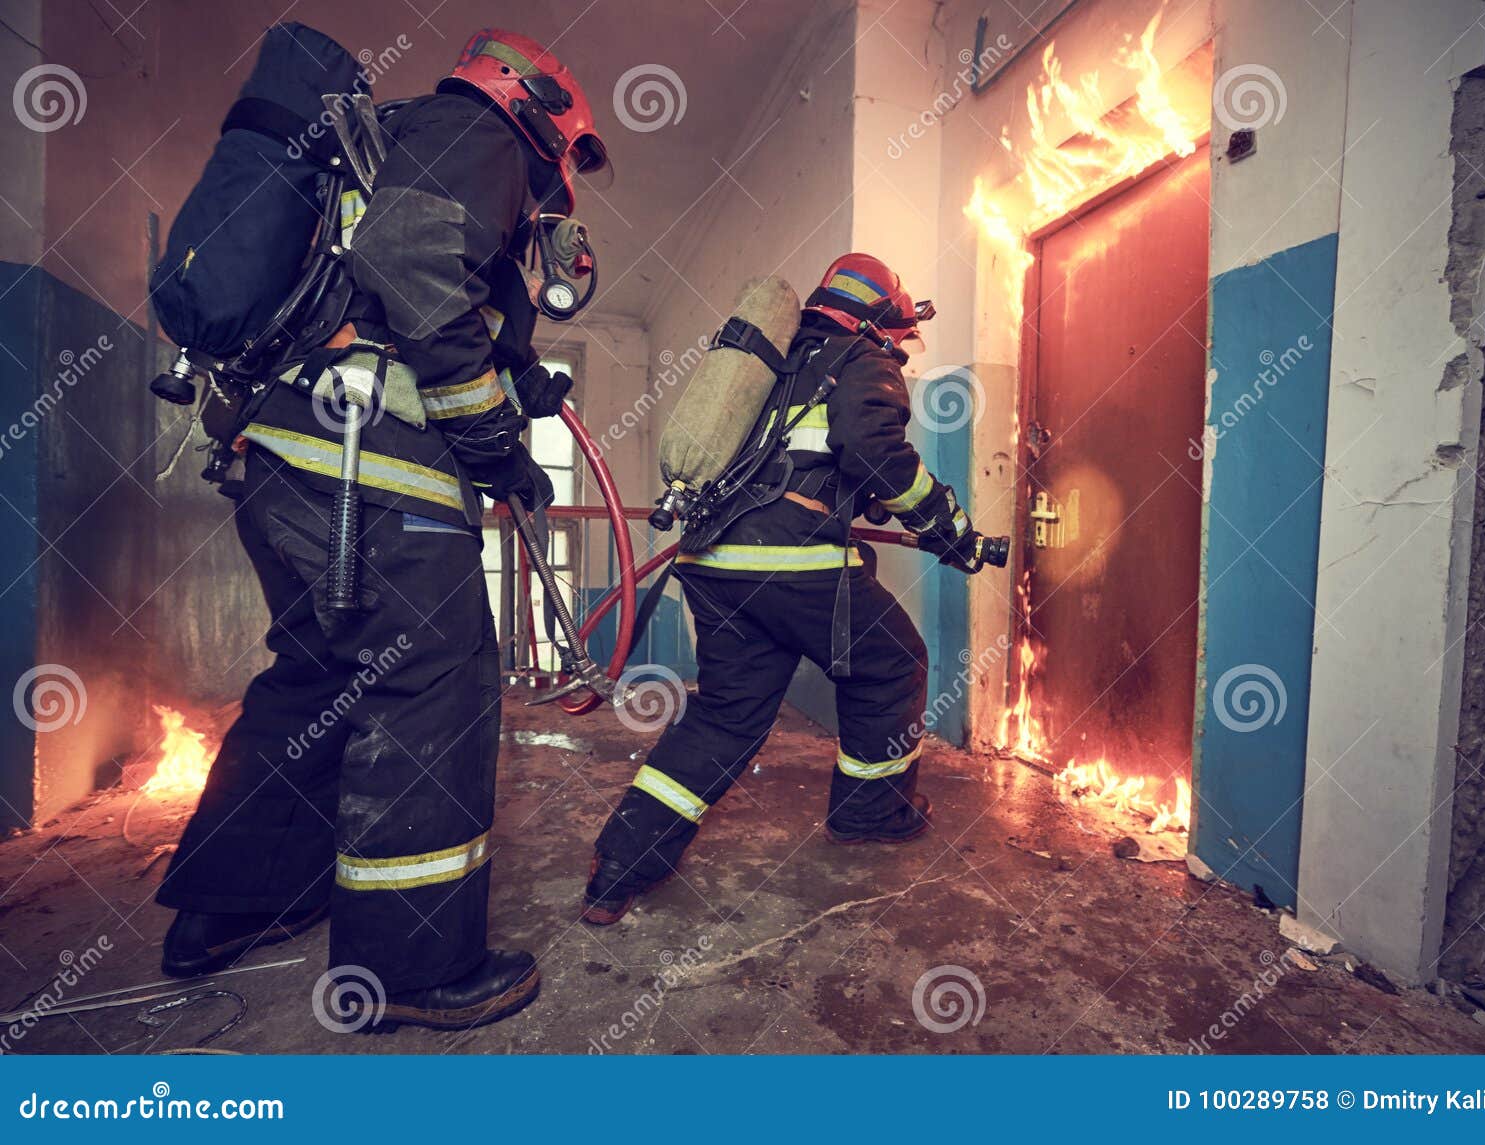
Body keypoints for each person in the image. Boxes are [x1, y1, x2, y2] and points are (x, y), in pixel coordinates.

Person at [157, 29, 607, 1031]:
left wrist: (523, 379)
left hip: (285, 458)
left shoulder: (402, 141)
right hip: (367, 468)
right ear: (536, 111)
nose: (563, 185)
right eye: (569, 158)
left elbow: (413, 293)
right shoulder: (479, 132)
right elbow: (411, 258)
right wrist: (493, 434)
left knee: (319, 672)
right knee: (432, 675)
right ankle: (406, 963)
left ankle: (226, 907)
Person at [582, 253, 984, 925]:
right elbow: (872, 446)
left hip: (713, 564)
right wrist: (945, 519)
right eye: (901, 337)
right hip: (795, 563)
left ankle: (620, 863)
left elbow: (816, 457)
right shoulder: (861, 360)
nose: (902, 352)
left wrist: (863, 498)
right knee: (894, 663)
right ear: (879, 320)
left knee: (724, 717)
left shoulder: (770, 366)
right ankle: (870, 812)